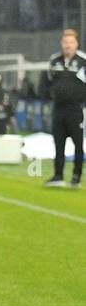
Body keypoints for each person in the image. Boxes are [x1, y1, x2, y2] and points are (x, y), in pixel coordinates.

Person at [45, 28, 86, 187]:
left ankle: (76, 176)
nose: (68, 45)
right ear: (61, 44)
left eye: (71, 42)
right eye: (65, 42)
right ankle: (58, 175)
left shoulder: (83, 61)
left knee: (77, 144)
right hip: (58, 108)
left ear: (76, 44)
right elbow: (48, 82)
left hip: (76, 109)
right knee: (58, 143)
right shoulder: (54, 61)